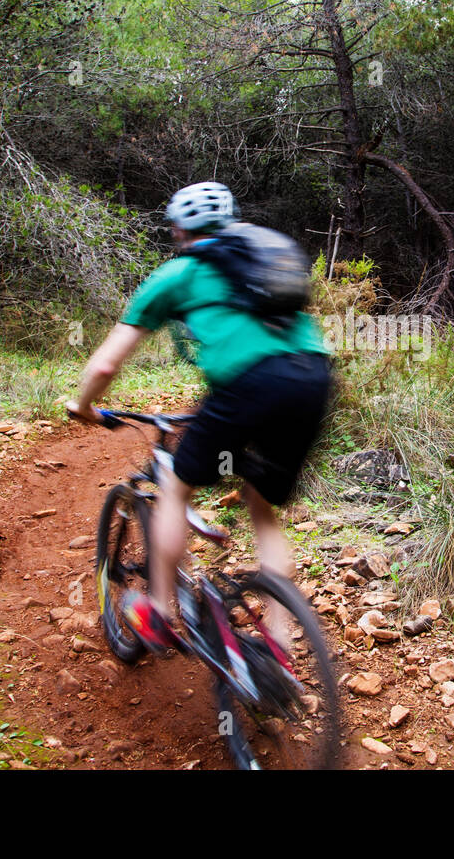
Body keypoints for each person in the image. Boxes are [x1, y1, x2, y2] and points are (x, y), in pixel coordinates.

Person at [65, 182, 332, 653]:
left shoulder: (180, 273)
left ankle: (162, 612)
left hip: (247, 384)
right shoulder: (260, 259)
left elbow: (107, 364)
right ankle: (280, 640)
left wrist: (84, 406)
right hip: (313, 378)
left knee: (175, 486)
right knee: (262, 505)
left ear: (179, 229)